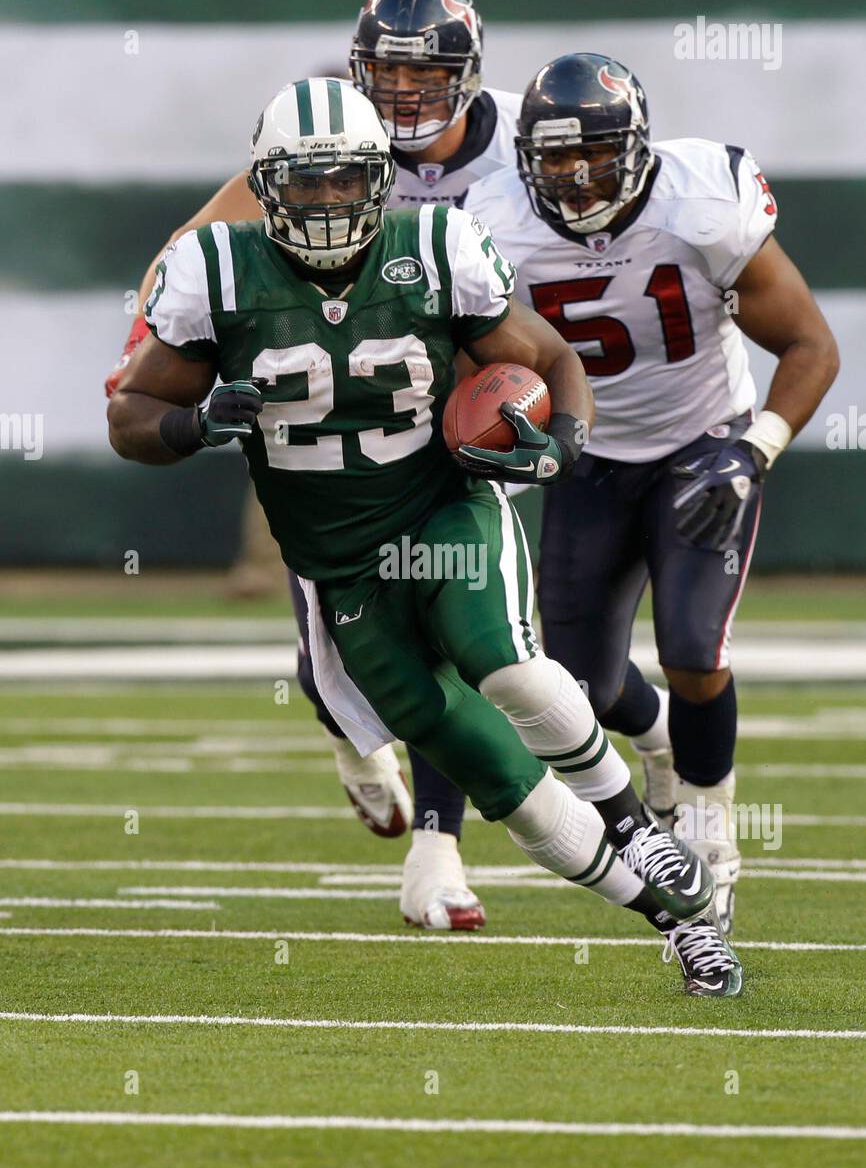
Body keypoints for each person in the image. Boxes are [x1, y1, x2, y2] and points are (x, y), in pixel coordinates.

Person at [107, 77, 737, 996]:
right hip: (338, 570)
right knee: (499, 776)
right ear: (267, 185)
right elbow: (132, 412)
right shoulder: (219, 271)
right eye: (305, 181)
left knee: (511, 667)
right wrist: (192, 424)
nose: (326, 201)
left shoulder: (436, 245)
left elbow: (551, 359)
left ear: (379, 179)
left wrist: (557, 440)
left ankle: (637, 822)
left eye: (343, 180)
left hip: (445, 516)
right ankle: (677, 922)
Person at [103, 0, 523, 929]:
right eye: (387, 71)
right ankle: (345, 727)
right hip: (319, 424)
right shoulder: (325, 145)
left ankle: (439, 852)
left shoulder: (515, 161)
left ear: (469, 75)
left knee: (454, 639)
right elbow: (190, 244)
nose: (406, 92)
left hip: (446, 416)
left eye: (429, 72)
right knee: (332, 646)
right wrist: (139, 359)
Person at [459, 52, 839, 972]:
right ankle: (661, 732)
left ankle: (710, 830)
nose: (577, 177)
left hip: (703, 440)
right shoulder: (493, 220)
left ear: (637, 148)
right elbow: (469, 350)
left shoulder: (702, 198)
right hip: (586, 454)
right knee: (574, 691)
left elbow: (809, 344)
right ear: (524, 160)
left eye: (594, 154)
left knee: (693, 645)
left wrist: (754, 452)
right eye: (555, 160)